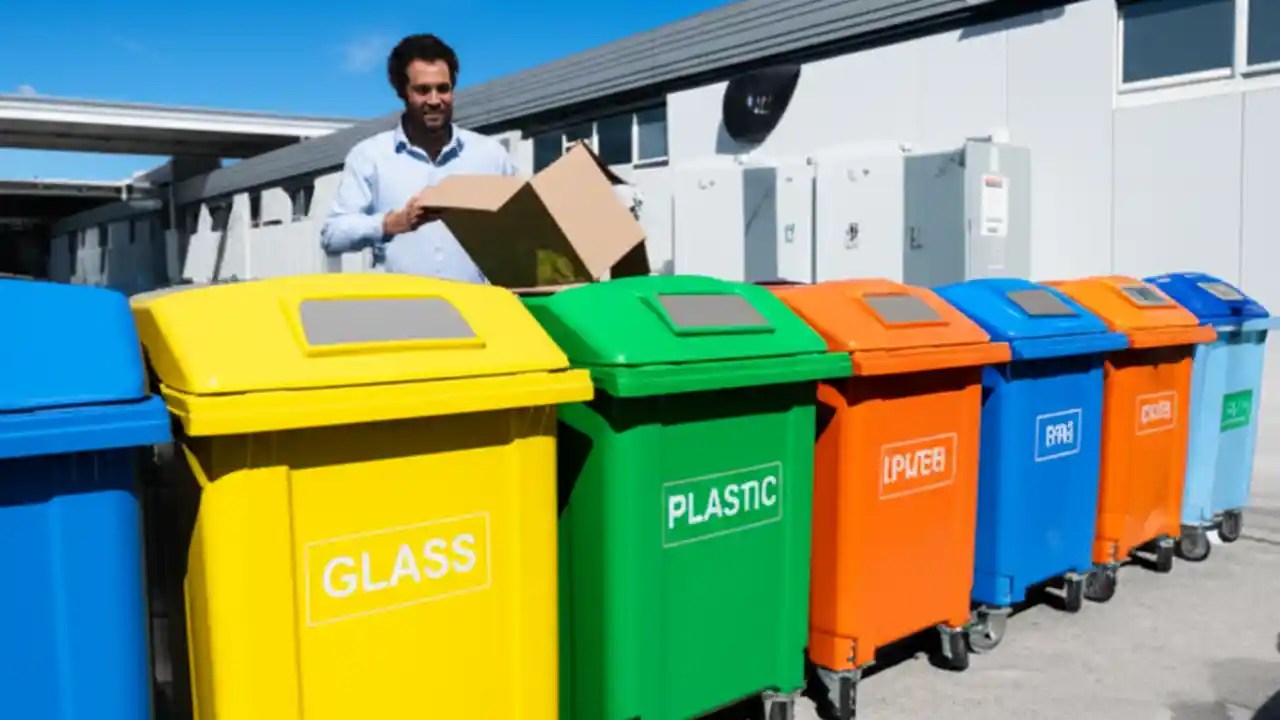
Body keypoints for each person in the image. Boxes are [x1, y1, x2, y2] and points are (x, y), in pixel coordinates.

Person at [320, 34, 518, 281]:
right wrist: (391, 223)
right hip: (401, 304)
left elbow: (521, 227)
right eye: (423, 90)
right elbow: (332, 234)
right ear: (402, 92)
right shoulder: (369, 156)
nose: (434, 101)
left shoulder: (491, 155)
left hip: (473, 304)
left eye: (443, 89)